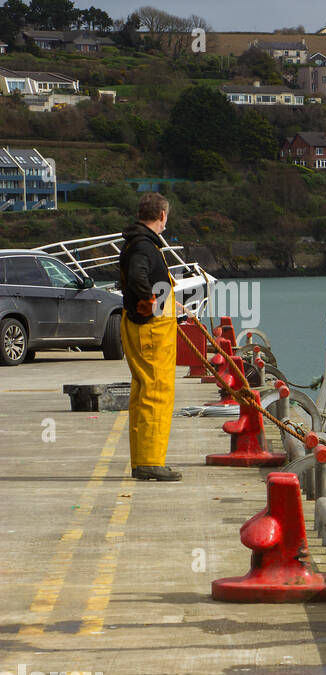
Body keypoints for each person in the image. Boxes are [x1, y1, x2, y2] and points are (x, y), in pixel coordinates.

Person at [118, 193, 180, 481]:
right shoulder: (144, 246)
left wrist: (164, 301)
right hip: (150, 332)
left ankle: (143, 459)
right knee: (155, 392)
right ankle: (151, 462)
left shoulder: (136, 241)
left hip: (138, 326)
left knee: (143, 392)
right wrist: (153, 303)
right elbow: (138, 277)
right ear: (162, 215)